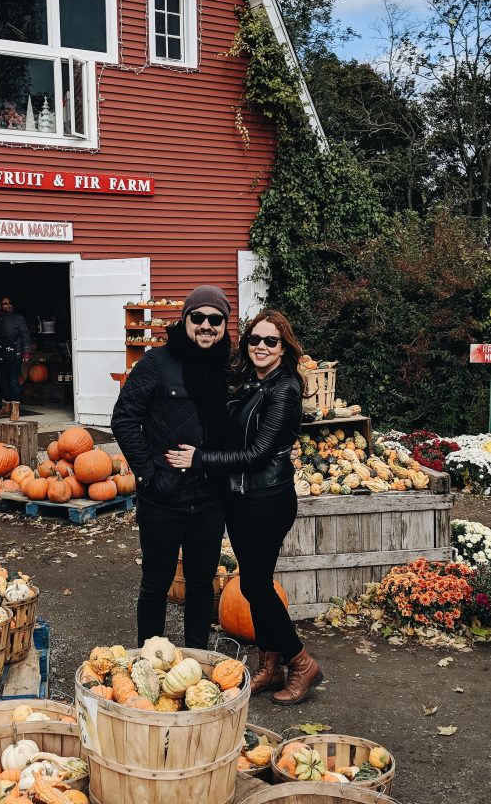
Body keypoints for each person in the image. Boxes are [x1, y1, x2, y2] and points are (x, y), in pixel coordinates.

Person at [166, 308, 324, 705]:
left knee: (255, 585)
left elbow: (257, 453)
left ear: (283, 347)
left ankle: (302, 663)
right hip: (238, 498)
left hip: (266, 499)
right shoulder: (250, 381)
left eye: (271, 341)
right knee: (257, 585)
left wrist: (199, 459)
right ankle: (269, 667)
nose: (262, 347)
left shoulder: (284, 388)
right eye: (255, 339)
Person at [111, 285, 232, 649]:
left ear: (225, 325)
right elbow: (124, 419)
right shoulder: (156, 364)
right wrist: (148, 474)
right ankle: (149, 656)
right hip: (163, 497)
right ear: (186, 320)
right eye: (198, 318)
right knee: (156, 582)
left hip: (210, 497)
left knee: (200, 582)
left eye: (215, 319)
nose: (206, 325)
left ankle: (196, 656)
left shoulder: (230, 366)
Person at [0, 295, 31, 421]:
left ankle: (15, 409)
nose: (7, 305)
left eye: (9, 303)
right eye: (4, 304)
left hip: (15, 354)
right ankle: (6, 407)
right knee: (2, 381)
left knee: (13, 381)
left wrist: (26, 353)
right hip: (0, 355)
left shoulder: (18, 319)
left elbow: (25, 336)